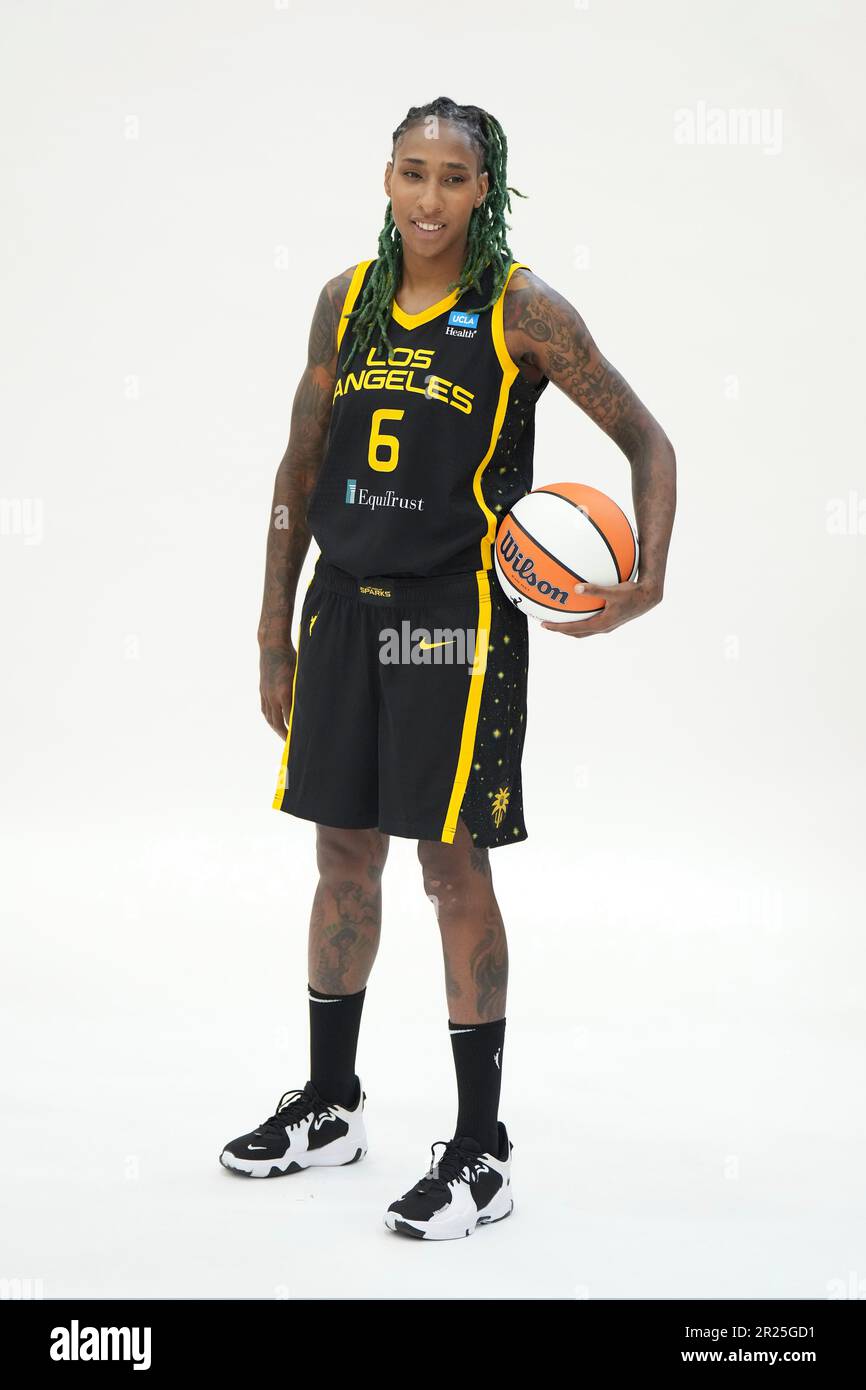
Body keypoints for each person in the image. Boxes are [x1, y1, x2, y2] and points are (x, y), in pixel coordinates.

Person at [219, 96, 676, 1241]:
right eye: (410, 173)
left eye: (451, 179)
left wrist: (648, 575)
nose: (428, 198)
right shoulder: (346, 301)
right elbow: (298, 463)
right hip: (341, 615)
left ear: (486, 190)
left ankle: (481, 1150)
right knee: (340, 857)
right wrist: (273, 627)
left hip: (453, 623)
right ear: (385, 179)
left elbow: (647, 440)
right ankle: (331, 1101)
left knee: (449, 866)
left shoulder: (519, 309)